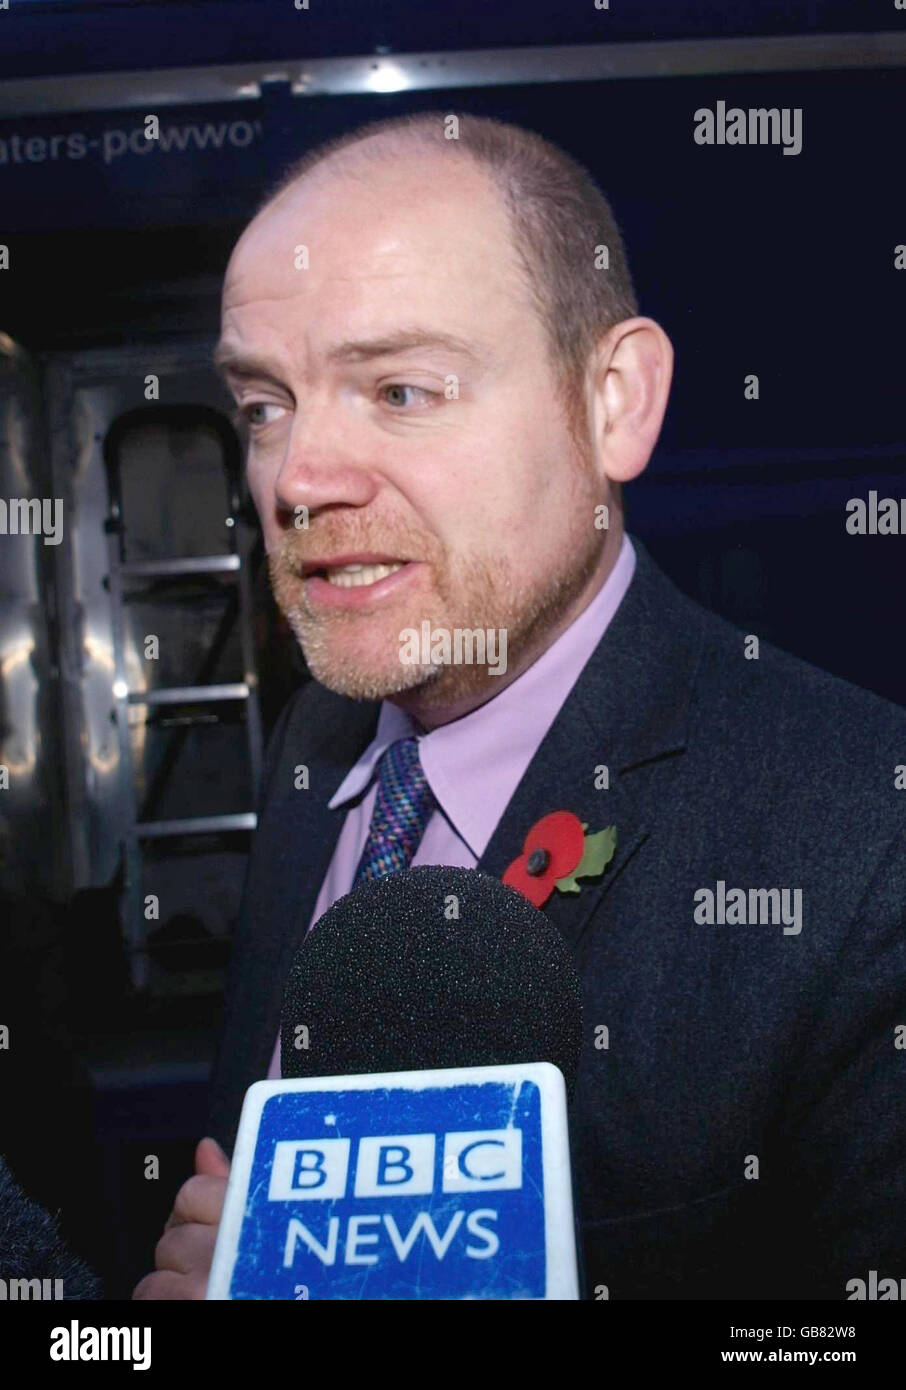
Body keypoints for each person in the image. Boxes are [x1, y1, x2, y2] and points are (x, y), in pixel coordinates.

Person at [133, 111, 906, 1301]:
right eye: (263, 407)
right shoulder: (320, 746)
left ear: (615, 402)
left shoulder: (863, 842)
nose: (298, 478)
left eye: (399, 388)